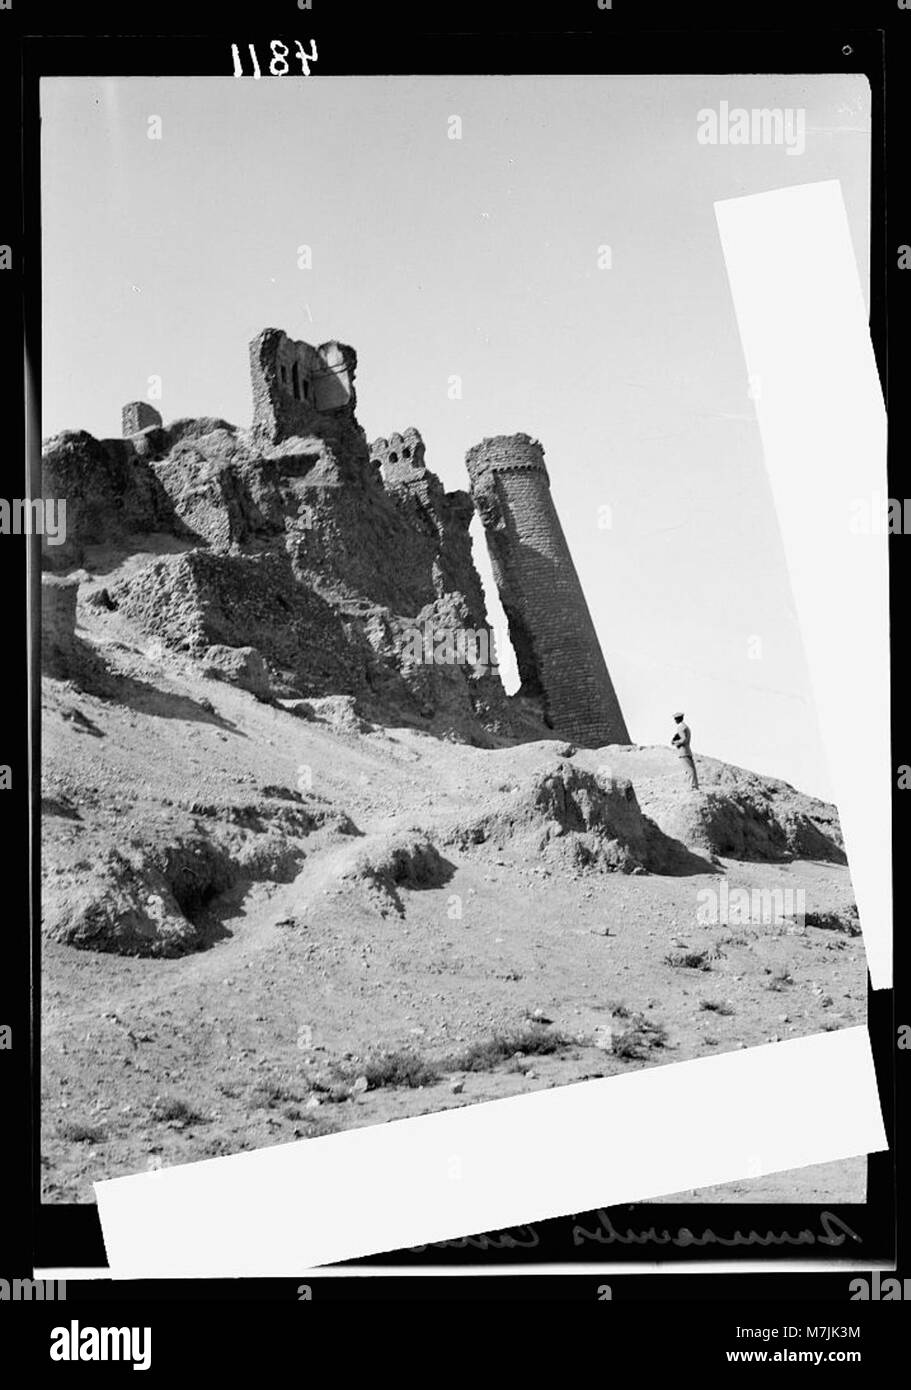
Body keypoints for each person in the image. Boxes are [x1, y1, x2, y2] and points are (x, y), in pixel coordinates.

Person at [671, 711, 699, 789]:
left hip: (683, 751)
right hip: (687, 750)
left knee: (689, 770)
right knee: (691, 769)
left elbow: (683, 739)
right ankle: (694, 785)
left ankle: (693, 786)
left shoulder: (680, 727)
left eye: (675, 719)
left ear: (677, 719)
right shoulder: (685, 726)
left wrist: (675, 742)